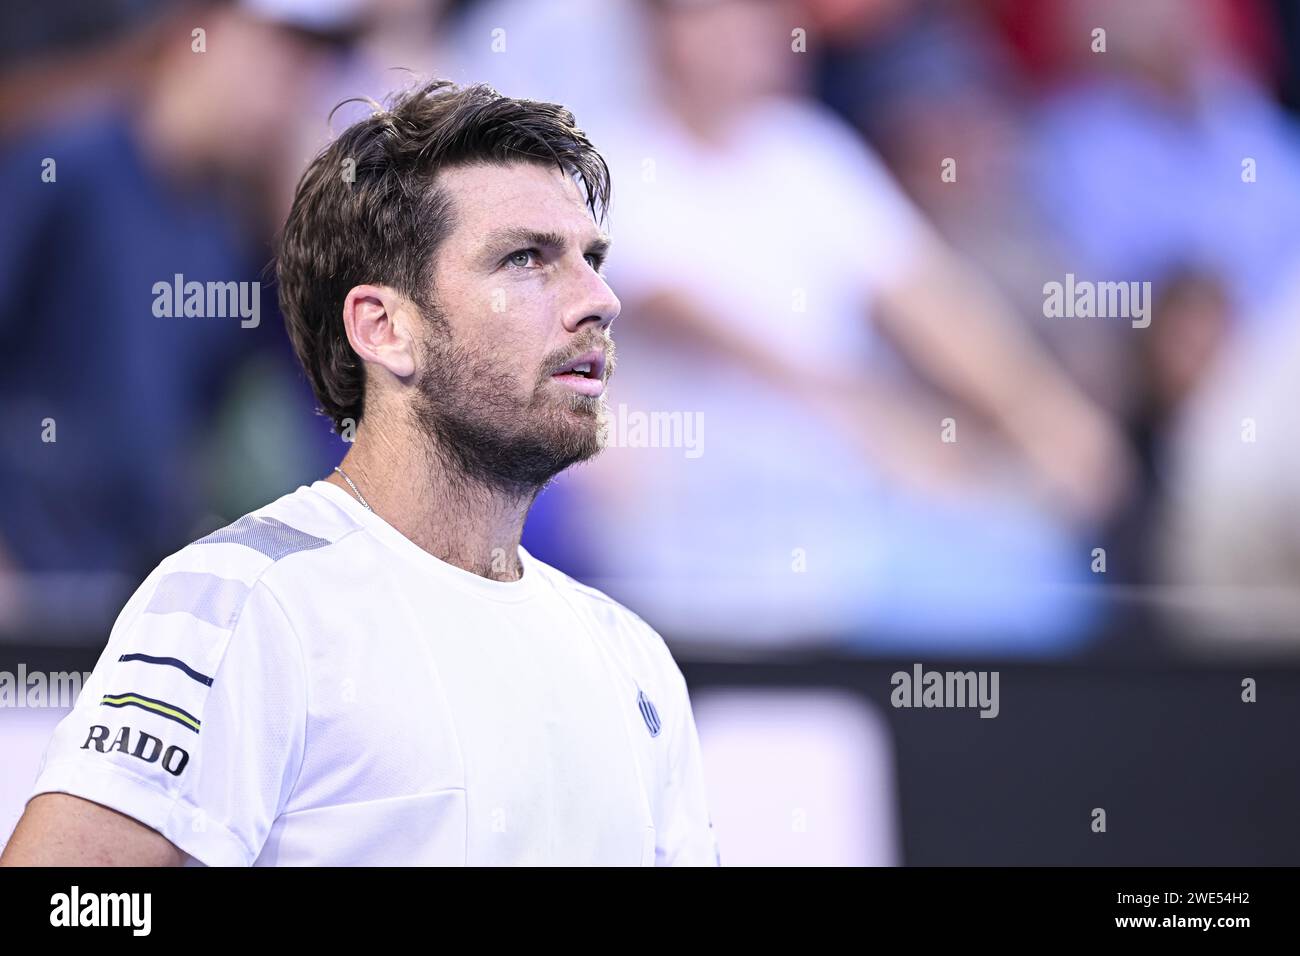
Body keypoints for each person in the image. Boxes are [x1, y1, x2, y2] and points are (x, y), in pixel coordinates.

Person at [0, 79, 720, 867]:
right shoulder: (243, 601)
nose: (601, 300)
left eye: (591, 259)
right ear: (384, 329)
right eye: (526, 259)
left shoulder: (632, 657)